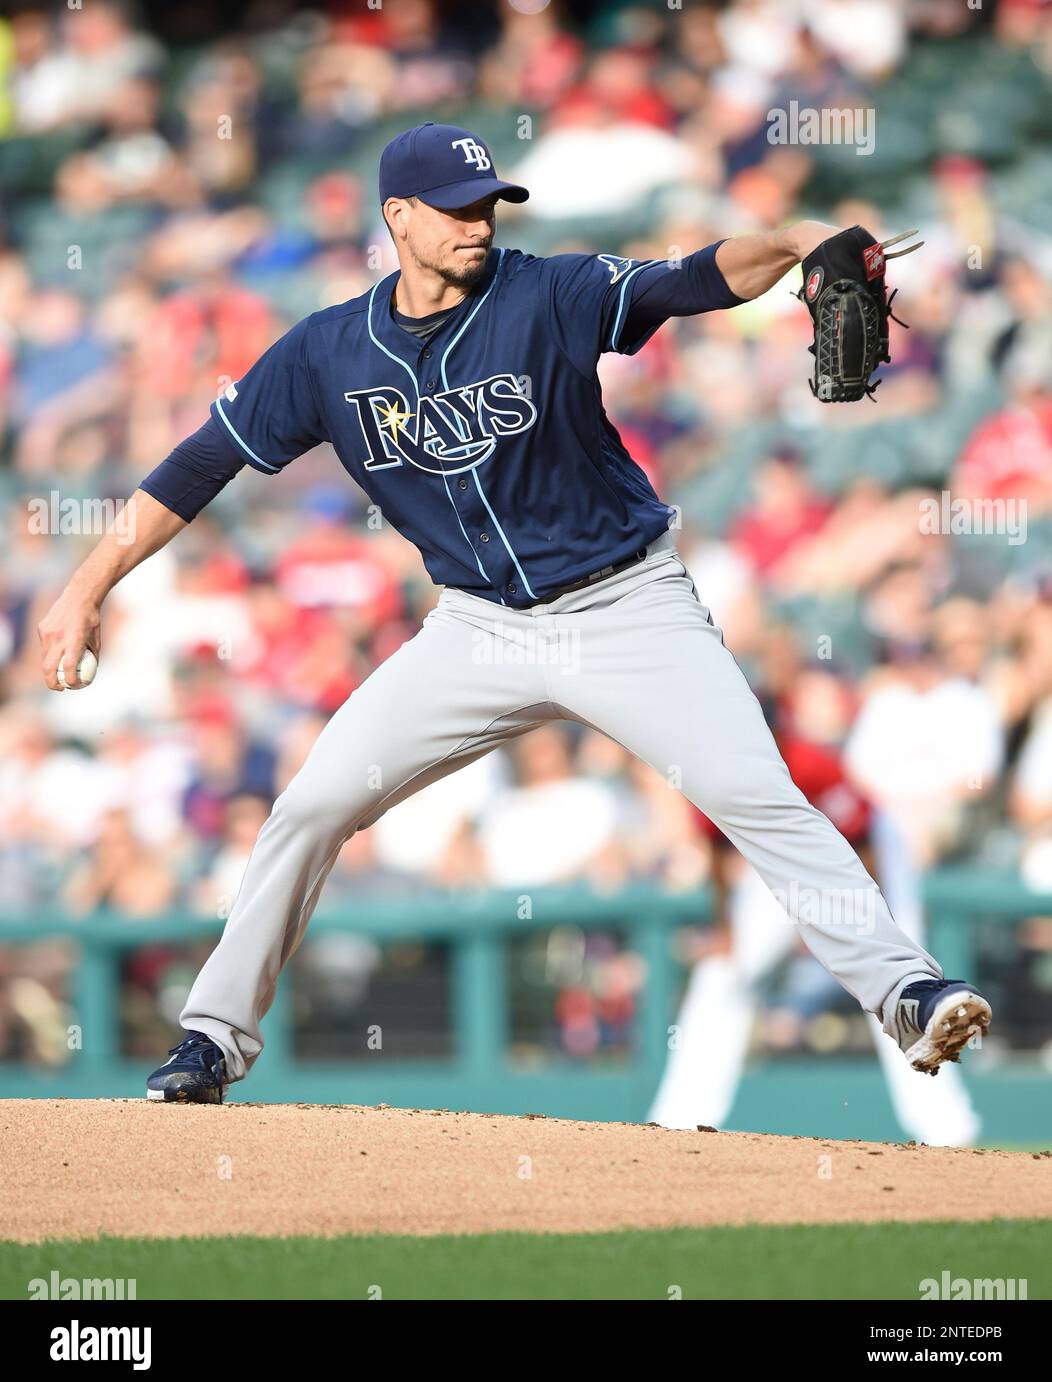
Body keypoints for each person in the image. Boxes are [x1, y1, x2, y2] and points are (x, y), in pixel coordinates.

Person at [38, 122, 992, 1104]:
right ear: (396, 217)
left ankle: (906, 990)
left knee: (754, 792)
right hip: (476, 629)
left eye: (486, 202)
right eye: (453, 207)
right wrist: (83, 588)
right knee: (313, 803)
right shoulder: (326, 352)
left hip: (626, 604)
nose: (476, 222)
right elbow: (196, 467)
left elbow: (693, 278)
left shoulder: (548, 291)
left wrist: (795, 238)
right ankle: (210, 1039)